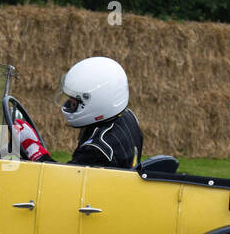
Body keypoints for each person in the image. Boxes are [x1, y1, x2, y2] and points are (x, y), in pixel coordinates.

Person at [12, 56, 142, 169]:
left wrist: (34, 149)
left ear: (98, 101)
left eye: (73, 103)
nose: (67, 105)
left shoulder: (97, 150)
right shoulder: (127, 117)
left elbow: (63, 184)